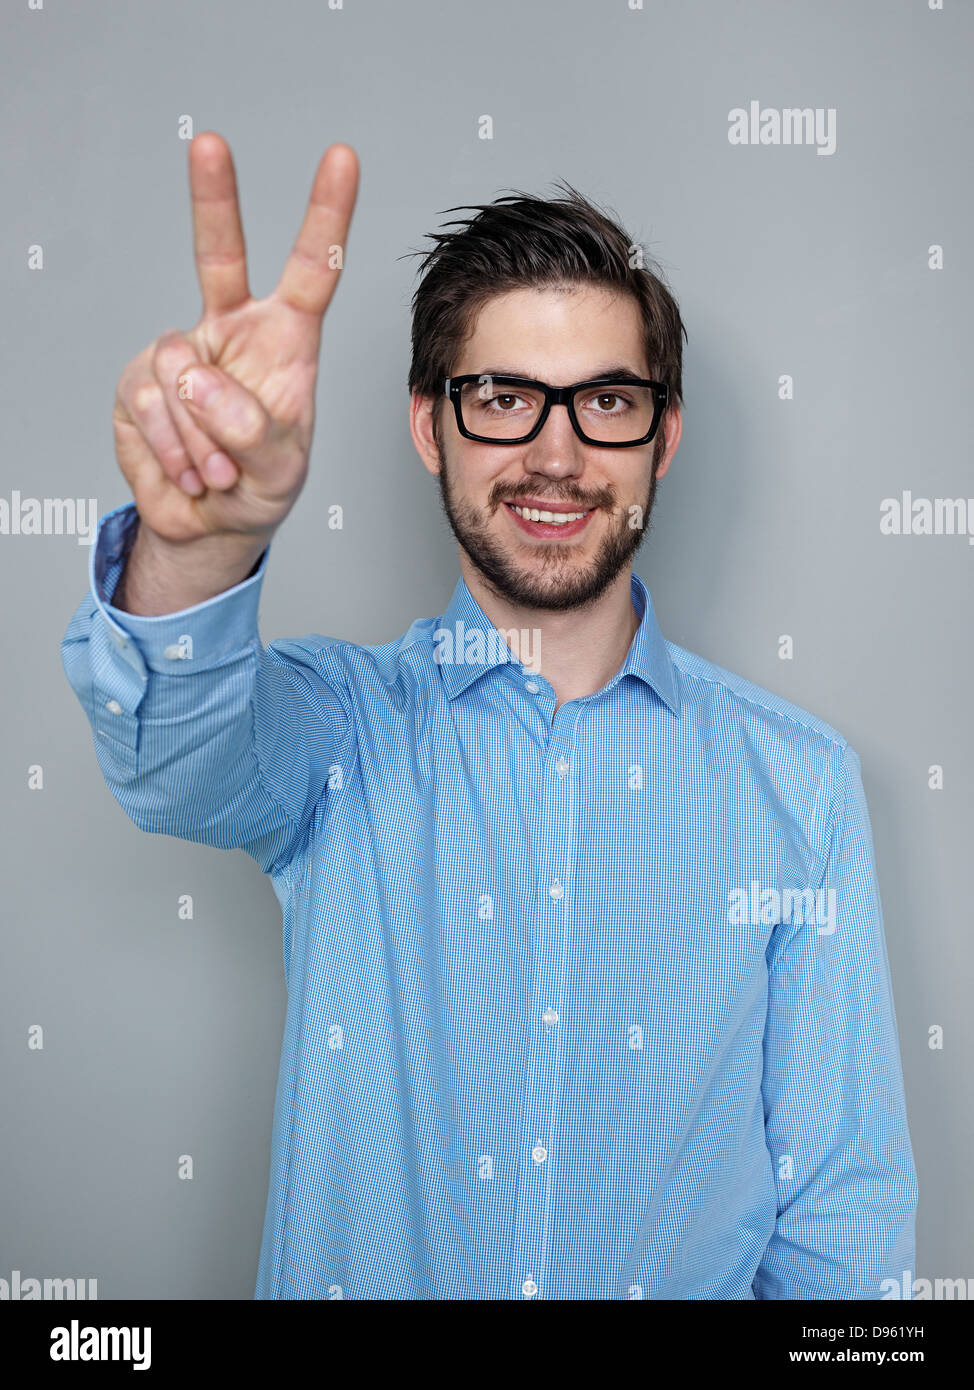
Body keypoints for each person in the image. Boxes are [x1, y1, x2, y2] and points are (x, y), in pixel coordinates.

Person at [61, 132, 917, 1300]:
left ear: (661, 437)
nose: (555, 455)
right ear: (431, 427)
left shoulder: (799, 786)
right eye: (503, 397)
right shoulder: (333, 731)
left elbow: (840, 1225)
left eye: (605, 400)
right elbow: (170, 758)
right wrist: (198, 544)